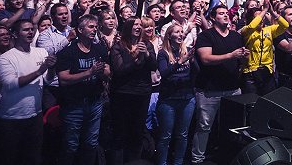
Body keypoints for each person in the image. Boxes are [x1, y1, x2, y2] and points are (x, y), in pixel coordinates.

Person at [191, 5, 247, 165]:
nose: (225, 16)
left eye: (226, 13)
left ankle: (227, 157)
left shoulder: (236, 36)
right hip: (210, 91)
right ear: (213, 18)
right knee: (204, 127)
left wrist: (243, 57)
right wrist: (231, 55)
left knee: (231, 127)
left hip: (233, 89)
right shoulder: (206, 36)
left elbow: (240, 60)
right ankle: (197, 159)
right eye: (221, 13)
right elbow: (206, 59)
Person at [0, 19, 54, 165]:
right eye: (25, 30)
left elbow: (48, 80)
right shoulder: (6, 58)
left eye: (31, 29)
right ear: (15, 34)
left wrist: (51, 68)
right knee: (11, 158)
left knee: (33, 157)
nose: (30, 32)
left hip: (35, 115)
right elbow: (10, 84)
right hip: (11, 118)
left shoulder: (41, 52)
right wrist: (40, 70)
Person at [56, 13, 111, 165]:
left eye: (96, 27)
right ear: (80, 30)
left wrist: (104, 72)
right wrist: (89, 72)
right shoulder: (68, 52)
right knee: (70, 146)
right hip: (74, 105)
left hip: (94, 102)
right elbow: (63, 79)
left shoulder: (99, 48)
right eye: (91, 27)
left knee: (91, 143)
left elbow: (107, 72)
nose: (94, 30)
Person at [109, 18, 156, 165]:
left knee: (137, 132)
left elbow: (154, 66)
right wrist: (135, 59)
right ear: (128, 27)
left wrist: (147, 55)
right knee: (120, 133)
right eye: (135, 24)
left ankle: (134, 162)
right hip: (123, 93)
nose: (138, 27)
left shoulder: (147, 44)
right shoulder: (118, 47)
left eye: (140, 25)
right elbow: (119, 70)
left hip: (142, 93)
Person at [156, 23, 196, 165]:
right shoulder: (163, 53)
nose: (180, 34)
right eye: (176, 32)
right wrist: (179, 62)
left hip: (187, 98)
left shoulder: (187, 50)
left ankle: (178, 163)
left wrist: (192, 60)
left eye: (181, 32)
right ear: (169, 35)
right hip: (169, 100)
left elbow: (195, 73)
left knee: (182, 135)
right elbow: (165, 74)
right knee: (165, 136)